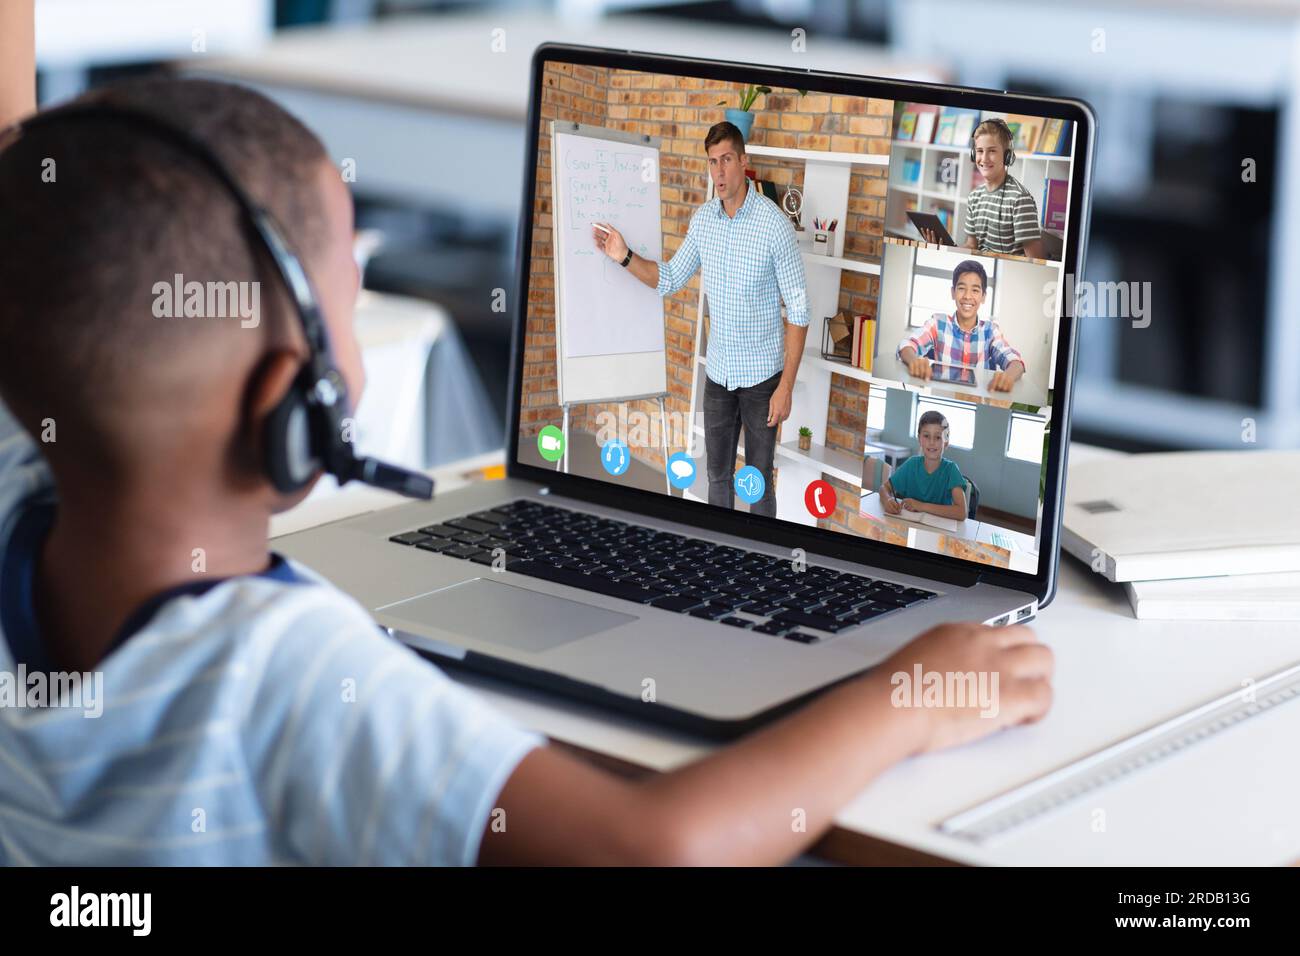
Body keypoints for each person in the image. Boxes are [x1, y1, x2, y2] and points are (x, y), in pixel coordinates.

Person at [0, 34, 1052, 863]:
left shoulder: (22, 487)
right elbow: (650, 848)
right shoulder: (281, 674)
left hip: (753, 376)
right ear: (299, 404)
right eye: (349, 310)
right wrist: (899, 699)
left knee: (749, 493)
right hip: (719, 393)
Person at [593, 121, 807, 517]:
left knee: (758, 483)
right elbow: (670, 278)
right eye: (713, 162)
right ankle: (721, 559)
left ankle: (765, 565)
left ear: (744, 162)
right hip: (719, 375)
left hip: (763, 380)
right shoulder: (704, 220)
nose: (720, 172)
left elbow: (799, 310)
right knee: (717, 477)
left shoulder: (774, 225)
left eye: (727, 160)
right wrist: (623, 255)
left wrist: (786, 387)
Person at [919, 118, 1045, 260]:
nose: (984, 158)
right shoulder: (974, 197)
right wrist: (945, 249)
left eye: (992, 151)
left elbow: (1036, 260)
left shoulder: (1019, 199)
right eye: (979, 151)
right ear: (973, 154)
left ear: (1007, 156)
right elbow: (972, 246)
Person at [897, 259, 1026, 392]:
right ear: (953, 292)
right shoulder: (937, 323)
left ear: (983, 297)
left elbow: (1015, 361)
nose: (967, 296)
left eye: (975, 290)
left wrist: (1008, 377)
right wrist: (914, 361)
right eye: (961, 288)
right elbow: (907, 345)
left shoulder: (991, 330)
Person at [881, 411, 968, 522]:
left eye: (938, 437)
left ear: (945, 442)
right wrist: (887, 500)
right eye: (926, 436)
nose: (932, 442)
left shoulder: (951, 470)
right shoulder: (911, 464)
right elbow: (884, 487)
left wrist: (921, 506)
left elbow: (961, 512)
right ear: (920, 439)